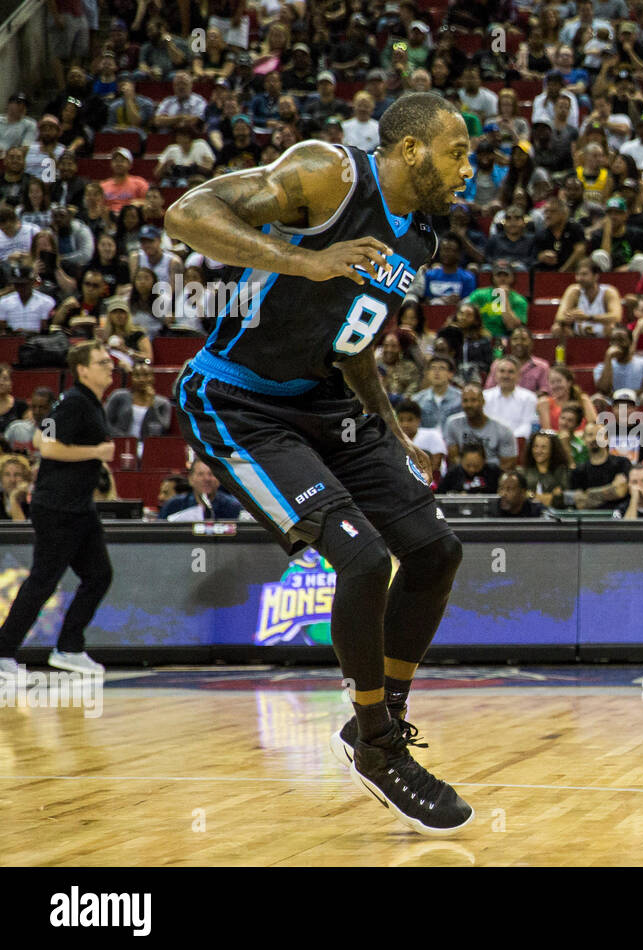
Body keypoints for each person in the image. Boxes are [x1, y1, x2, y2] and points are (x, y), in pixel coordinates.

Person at [163, 92, 475, 835]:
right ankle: (376, 748)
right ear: (409, 151)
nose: (470, 168)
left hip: (331, 399)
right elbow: (185, 214)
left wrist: (391, 424)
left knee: (436, 550)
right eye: (458, 152)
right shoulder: (329, 173)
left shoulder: (424, 236)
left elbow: (355, 335)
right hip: (239, 401)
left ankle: (385, 716)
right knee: (364, 561)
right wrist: (303, 260)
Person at [0, 343, 116, 683]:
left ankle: (69, 647)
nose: (110, 366)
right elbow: (44, 444)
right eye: (102, 362)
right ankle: (3, 652)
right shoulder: (74, 402)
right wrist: (96, 451)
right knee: (44, 580)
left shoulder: (90, 403)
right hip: (58, 507)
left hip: (80, 507)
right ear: (82, 369)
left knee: (98, 575)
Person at [442, 383, 519, 469]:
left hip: (493, 475)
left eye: (473, 400)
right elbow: (453, 458)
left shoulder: (503, 430)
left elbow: (508, 463)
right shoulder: (453, 424)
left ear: (483, 402)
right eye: (465, 401)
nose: (469, 405)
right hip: (463, 473)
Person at [160, 458, 245, 520]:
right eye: (200, 474)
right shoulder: (173, 506)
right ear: (191, 480)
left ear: (219, 479)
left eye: (211, 474)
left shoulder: (234, 507)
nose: (206, 479)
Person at [483, 355, 540, 439]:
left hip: (518, 444)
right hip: (489, 442)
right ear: (495, 375)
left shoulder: (529, 398)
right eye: (502, 371)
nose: (506, 376)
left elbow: (528, 426)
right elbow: (483, 424)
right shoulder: (484, 396)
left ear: (519, 376)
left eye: (511, 372)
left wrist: (508, 439)